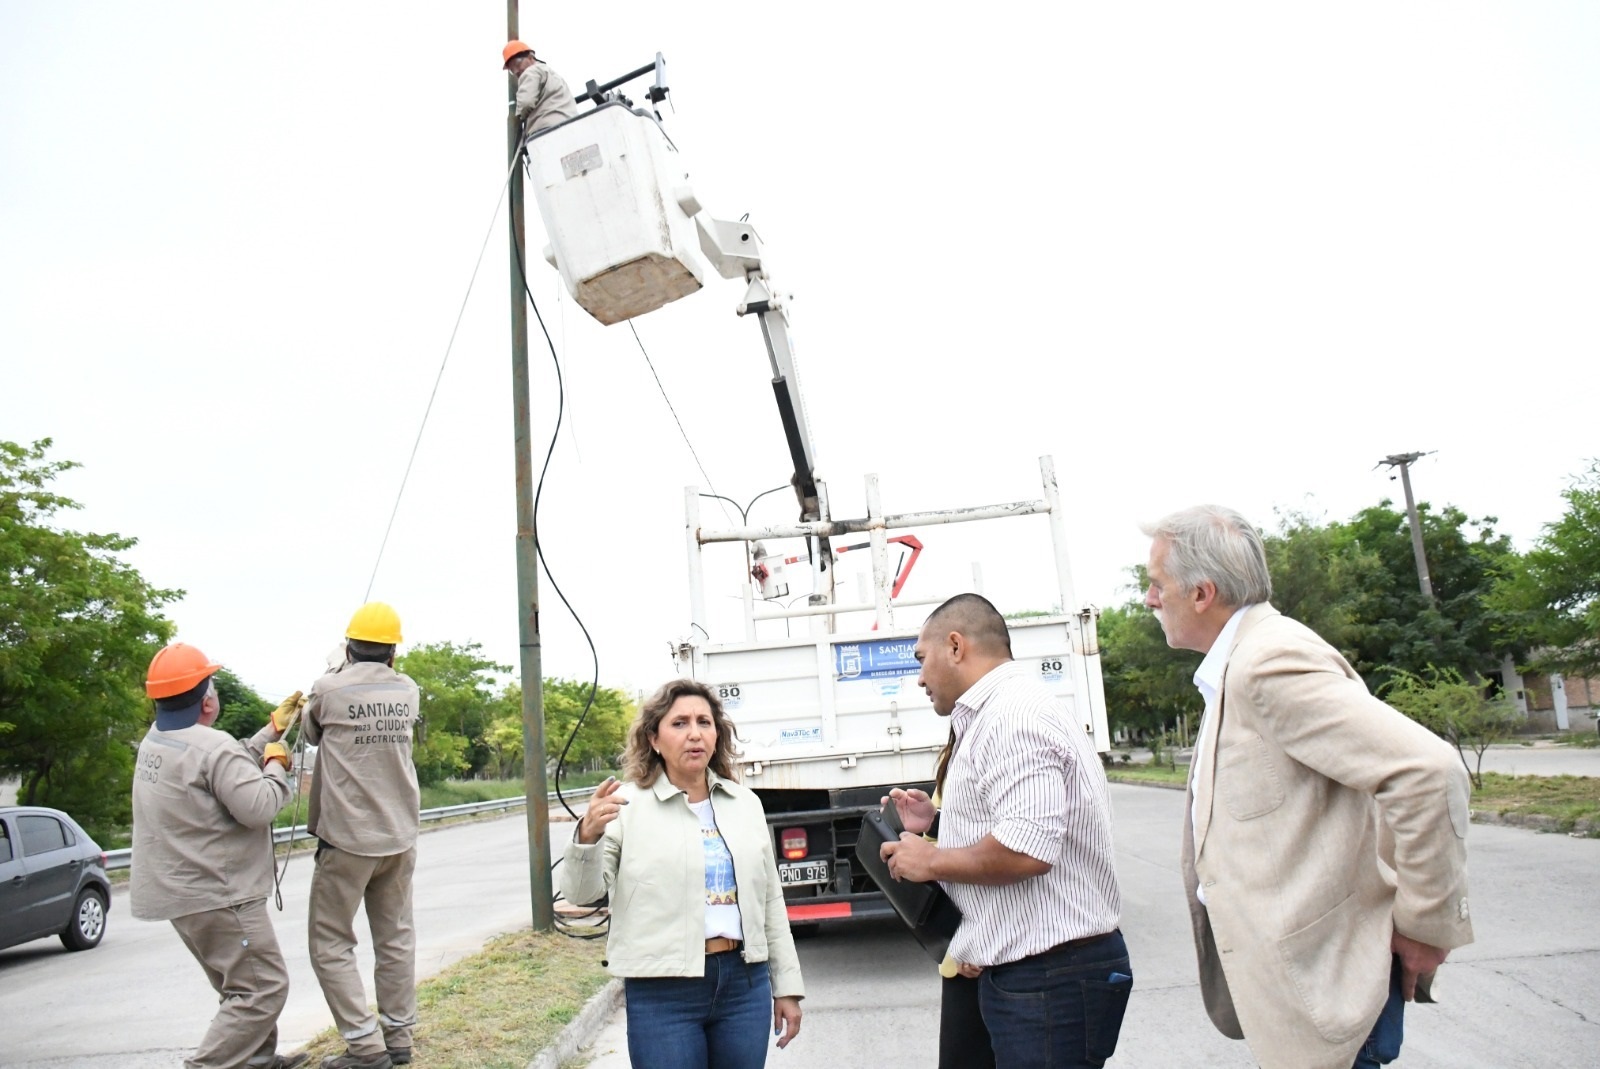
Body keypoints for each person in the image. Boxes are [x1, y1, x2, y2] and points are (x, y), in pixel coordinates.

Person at [1141, 505, 1475, 1069]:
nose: (1150, 599)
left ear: (1201, 593)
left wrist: (1425, 926)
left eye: (1157, 584)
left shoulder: (1268, 661)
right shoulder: (1240, 662)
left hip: (1330, 985)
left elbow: (1428, 771)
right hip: (1299, 989)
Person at [881, 594, 1130, 1069]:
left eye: (921, 658)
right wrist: (938, 825)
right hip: (1037, 975)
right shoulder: (1001, 712)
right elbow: (1016, 823)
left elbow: (1025, 852)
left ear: (956, 646)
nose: (919, 678)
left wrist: (931, 861)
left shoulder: (1013, 717)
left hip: (1048, 978)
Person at [561, 678, 804, 1068]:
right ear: (654, 739)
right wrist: (587, 836)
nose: (695, 734)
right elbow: (582, 894)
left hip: (744, 986)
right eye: (679, 723)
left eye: (704, 722)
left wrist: (787, 987)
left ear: (717, 735)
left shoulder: (745, 804)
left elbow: (770, 901)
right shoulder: (626, 806)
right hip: (663, 992)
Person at [130, 641, 308, 1069]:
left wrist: (271, 731)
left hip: (181, 894)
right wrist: (277, 765)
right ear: (208, 701)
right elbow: (258, 806)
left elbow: (219, 769)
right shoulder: (214, 747)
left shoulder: (157, 741)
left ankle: (256, 1060)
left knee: (239, 984)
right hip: (220, 894)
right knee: (261, 988)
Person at [303, 602, 422, 1069]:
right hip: (399, 835)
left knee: (330, 943)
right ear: (393, 652)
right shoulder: (408, 690)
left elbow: (311, 732)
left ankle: (364, 1045)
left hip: (346, 839)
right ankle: (399, 1038)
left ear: (349, 647)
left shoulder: (327, 689)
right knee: (395, 939)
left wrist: (334, 670)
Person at [503, 39, 578, 144]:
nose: (516, 71)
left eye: (517, 64)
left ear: (530, 57)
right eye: (512, 69)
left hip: (546, 131)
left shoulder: (530, 72)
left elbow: (526, 103)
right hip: (569, 127)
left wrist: (519, 116)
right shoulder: (551, 74)